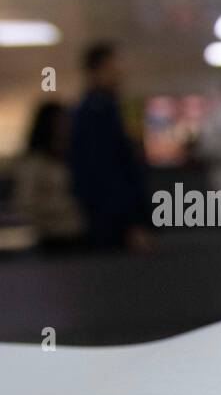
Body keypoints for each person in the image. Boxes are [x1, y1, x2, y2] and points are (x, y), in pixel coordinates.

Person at [68, 42, 151, 251]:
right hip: (112, 220)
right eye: (114, 67)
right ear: (97, 70)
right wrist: (131, 222)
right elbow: (105, 171)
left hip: (114, 217)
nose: (120, 72)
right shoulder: (95, 113)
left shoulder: (108, 108)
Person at [12, 101, 84, 248]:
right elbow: (26, 203)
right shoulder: (34, 164)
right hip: (52, 239)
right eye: (61, 123)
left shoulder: (68, 159)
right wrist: (63, 208)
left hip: (75, 235)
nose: (66, 129)